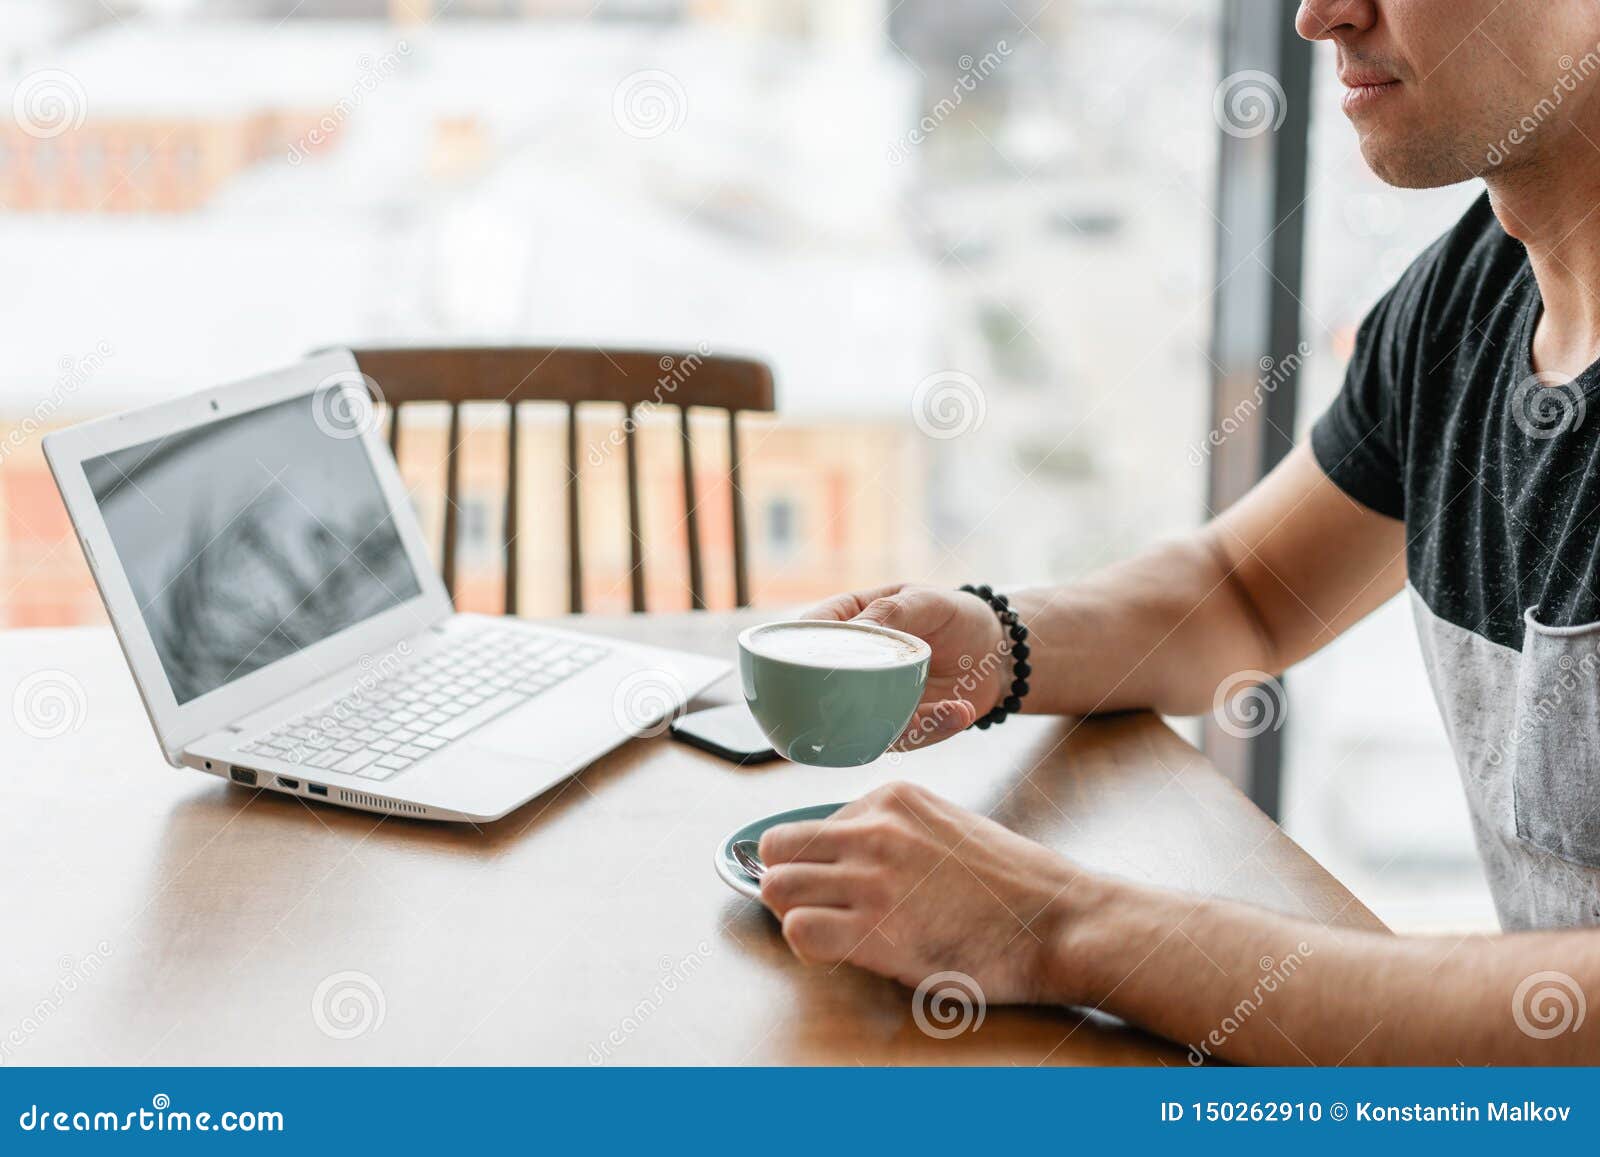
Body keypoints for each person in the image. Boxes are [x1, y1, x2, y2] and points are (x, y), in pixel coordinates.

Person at [757, 0, 1600, 1064]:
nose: (1318, 15)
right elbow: (1243, 592)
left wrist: (1057, 924)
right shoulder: (1468, 293)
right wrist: (985, 641)